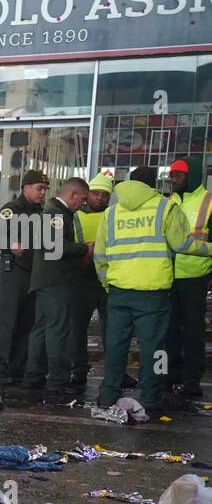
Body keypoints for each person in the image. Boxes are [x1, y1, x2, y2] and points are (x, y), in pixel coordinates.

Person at [94, 166, 190, 415]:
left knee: (116, 345)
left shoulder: (111, 213)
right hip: (153, 293)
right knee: (156, 348)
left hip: (119, 290)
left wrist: (108, 284)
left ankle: (107, 394)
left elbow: (100, 255)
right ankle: (152, 395)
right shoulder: (165, 207)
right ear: (152, 185)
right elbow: (181, 243)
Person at [22, 178, 90, 396]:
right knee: (57, 330)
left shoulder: (55, 212)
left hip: (47, 280)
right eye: (83, 199)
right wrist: (84, 249)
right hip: (56, 280)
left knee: (41, 329)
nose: (83, 204)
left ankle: (33, 377)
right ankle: (57, 381)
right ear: (72, 195)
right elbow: (55, 246)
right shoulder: (56, 214)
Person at [0, 169, 48, 388]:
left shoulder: (41, 212)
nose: (43, 193)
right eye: (40, 188)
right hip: (13, 272)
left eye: (45, 189)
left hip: (33, 273)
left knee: (26, 324)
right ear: (26, 188)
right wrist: (10, 246)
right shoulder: (12, 210)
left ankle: (17, 367)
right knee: (8, 321)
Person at [165, 156, 211, 398]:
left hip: (195, 277)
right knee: (168, 331)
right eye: (172, 175)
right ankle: (168, 375)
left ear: (191, 176)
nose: (173, 179)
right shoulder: (171, 201)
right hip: (168, 276)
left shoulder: (209, 202)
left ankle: (191, 381)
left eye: (178, 175)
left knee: (193, 333)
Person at [70, 173, 119, 389]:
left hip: (107, 278)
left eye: (105, 195)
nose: (100, 198)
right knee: (77, 328)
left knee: (113, 329)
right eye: (96, 193)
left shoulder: (113, 216)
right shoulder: (74, 216)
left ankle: (115, 372)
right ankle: (78, 369)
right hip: (82, 277)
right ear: (87, 193)